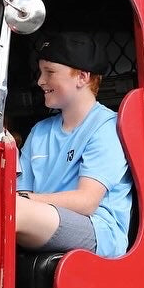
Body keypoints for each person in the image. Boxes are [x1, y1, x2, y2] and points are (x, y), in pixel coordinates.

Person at [15, 31, 132, 258]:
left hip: (96, 228)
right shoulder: (40, 131)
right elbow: (22, 191)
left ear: (82, 77)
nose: (40, 81)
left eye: (50, 72)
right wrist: (24, 202)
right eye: (40, 72)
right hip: (43, 220)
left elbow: (87, 201)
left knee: (11, 210)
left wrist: (29, 202)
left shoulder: (107, 126)